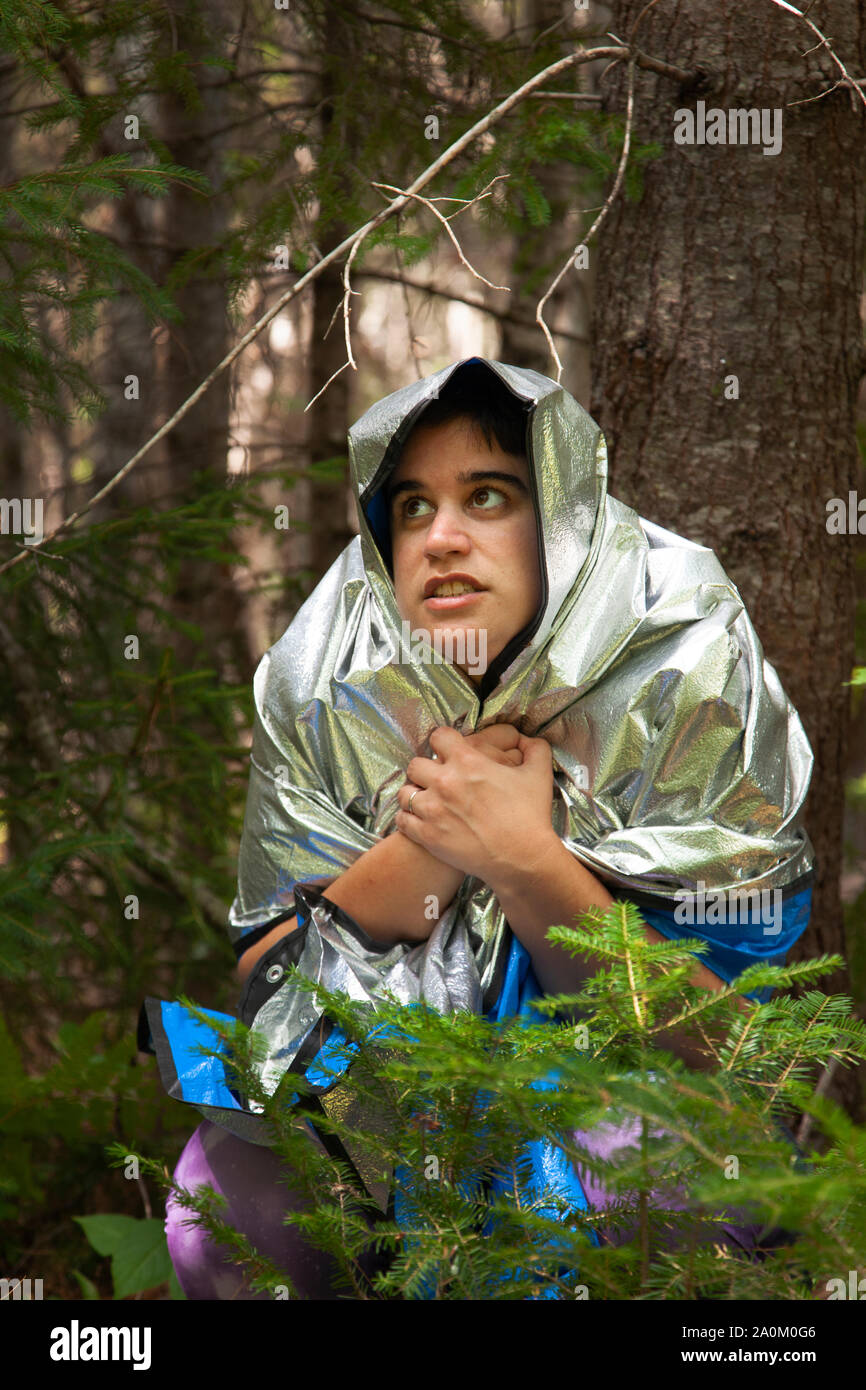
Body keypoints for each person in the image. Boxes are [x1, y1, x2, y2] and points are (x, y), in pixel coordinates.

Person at [141, 357, 815, 1299]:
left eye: (487, 496)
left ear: (564, 522)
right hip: (394, 1097)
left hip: (627, 1094)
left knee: (652, 1172)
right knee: (218, 1200)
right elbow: (268, 976)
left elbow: (732, 1040)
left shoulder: (683, 648)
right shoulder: (326, 663)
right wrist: (433, 839)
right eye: (411, 507)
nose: (441, 537)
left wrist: (526, 861)